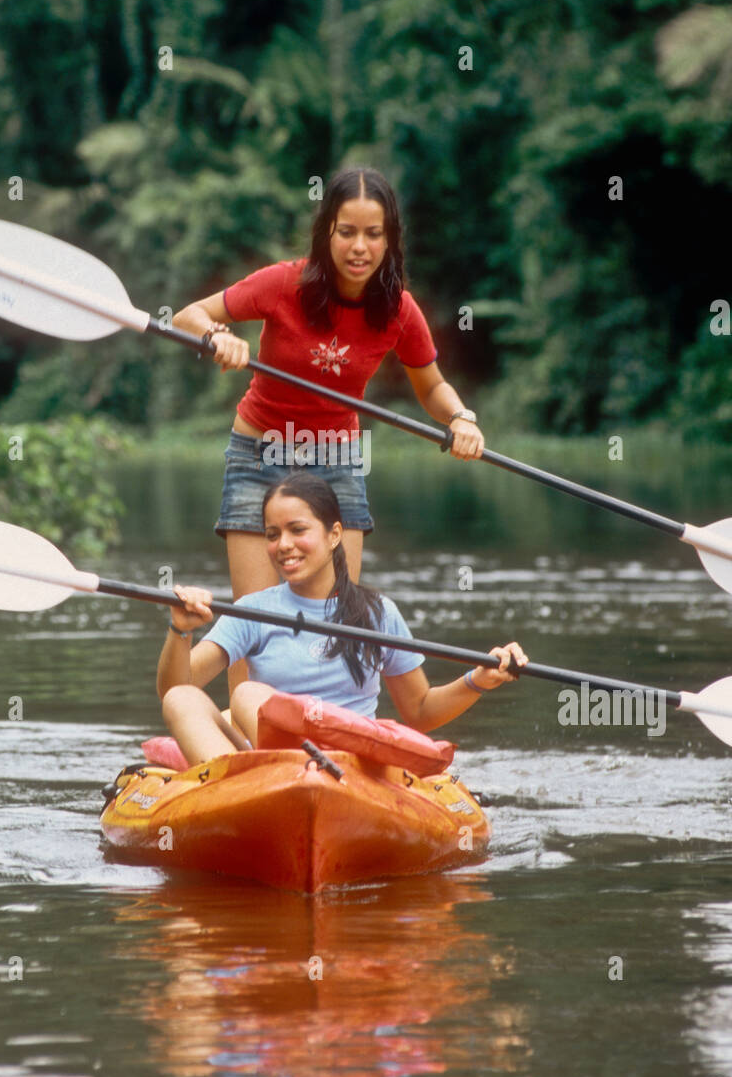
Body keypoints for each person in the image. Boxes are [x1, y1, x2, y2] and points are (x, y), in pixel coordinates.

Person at [171, 166, 485, 613]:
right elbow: (187, 316)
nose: (360, 247)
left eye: (374, 234)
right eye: (347, 232)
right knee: (254, 621)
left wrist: (460, 417)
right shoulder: (282, 283)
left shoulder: (399, 309)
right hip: (260, 452)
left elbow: (433, 386)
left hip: (336, 461)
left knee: (335, 623)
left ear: (390, 239)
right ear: (327, 234)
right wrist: (216, 336)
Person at [156, 473, 526, 766]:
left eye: (297, 530)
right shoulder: (252, 610)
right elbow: (177, 688)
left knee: (249, 694)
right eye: (272, 534)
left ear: (334, 535)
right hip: (272, 768)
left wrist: (477, 680)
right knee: (204, 699)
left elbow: (419, 710)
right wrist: (180, 631)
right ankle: (235, 789)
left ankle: (305, 771)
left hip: (352, 765)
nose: (283, 545)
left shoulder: (377, 613)